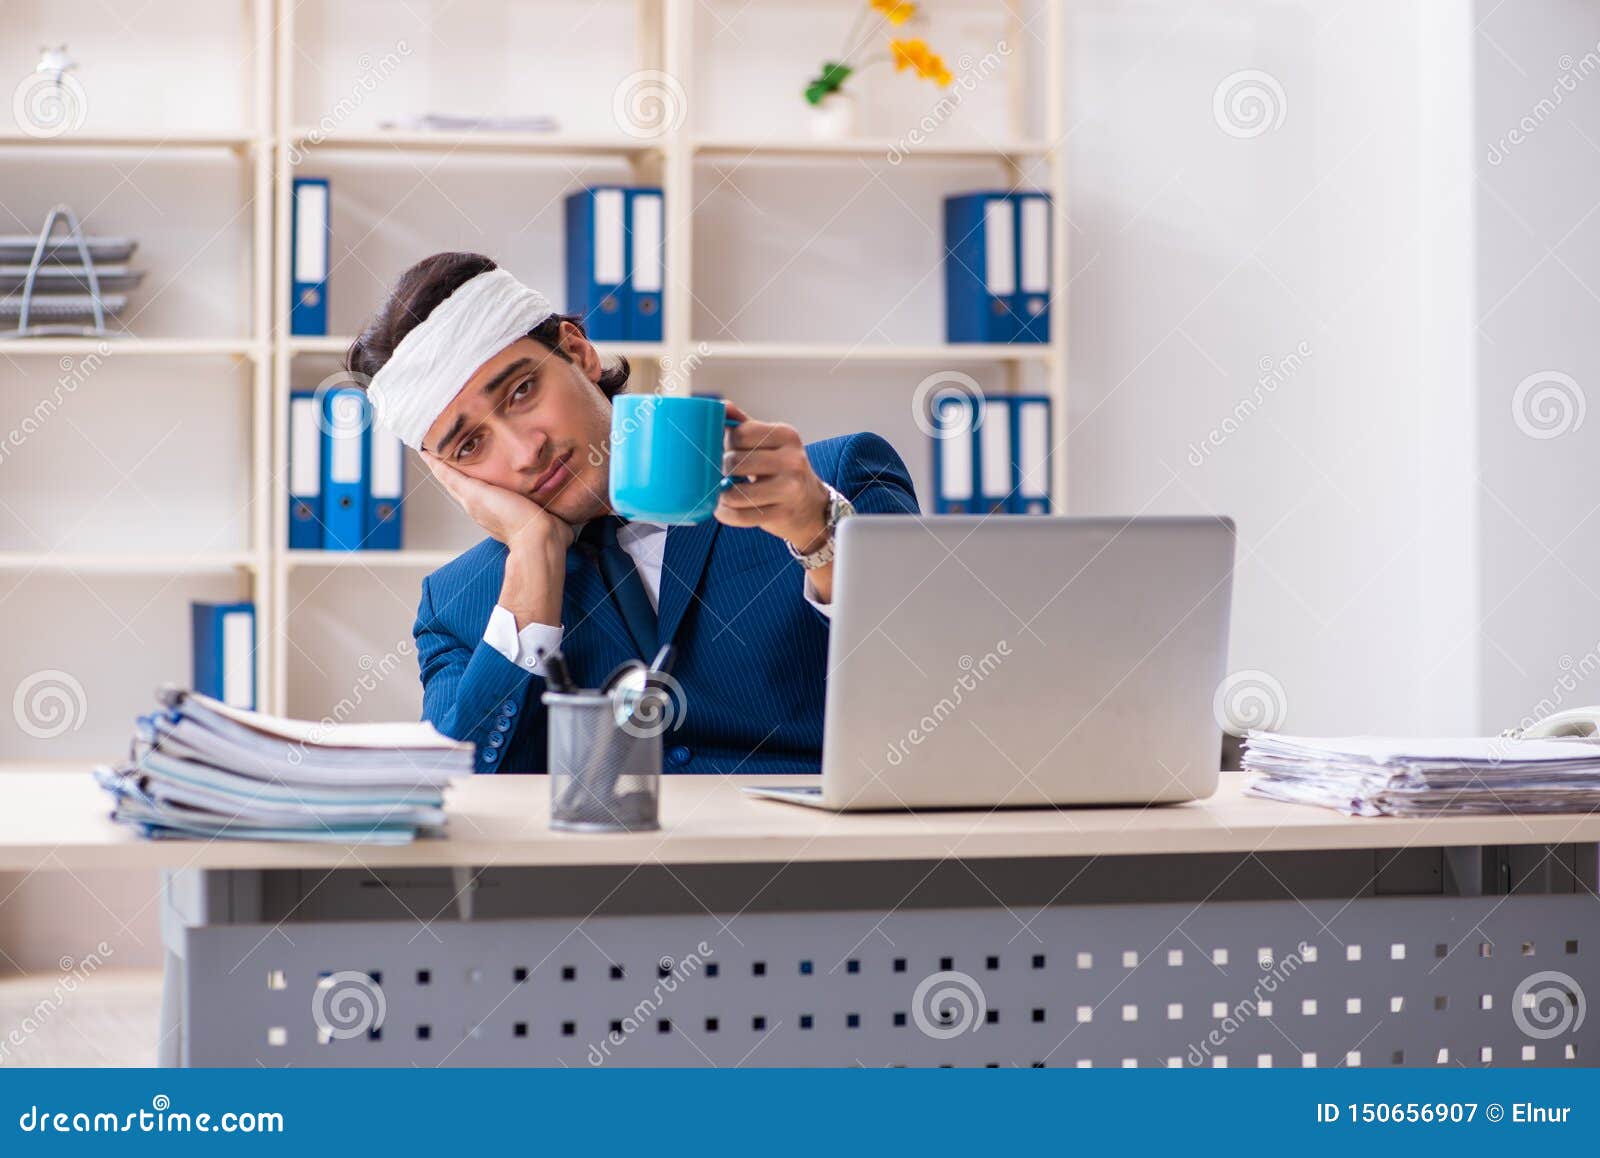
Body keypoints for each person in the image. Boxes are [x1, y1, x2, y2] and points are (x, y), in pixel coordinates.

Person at [345, 252, 920, 774]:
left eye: (521, 392)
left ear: (577, 351)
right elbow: (462, 799)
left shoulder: (824, 485)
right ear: (451, 478)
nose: (525, 452)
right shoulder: (459, 607)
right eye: (470, 445)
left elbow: (937, 696)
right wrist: (533, 557)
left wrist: (818, 537)